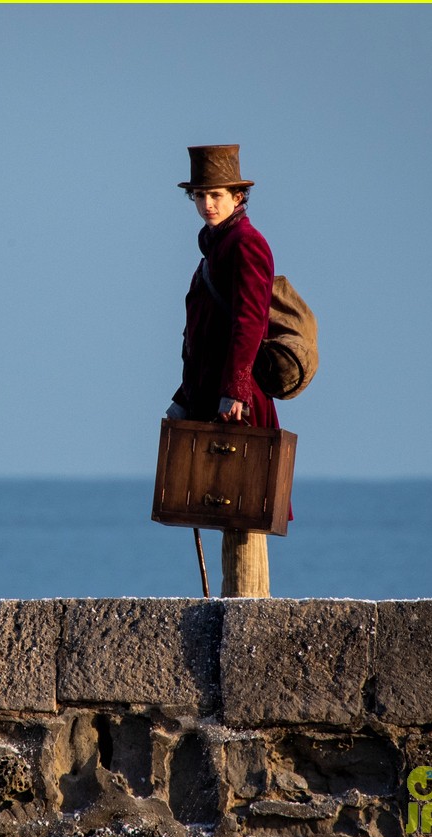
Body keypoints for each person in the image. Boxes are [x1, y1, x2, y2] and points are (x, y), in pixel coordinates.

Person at [165, 144, 278, 597]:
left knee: (244, 518)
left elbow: (251, 321)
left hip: (240, 402)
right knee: (227, 513)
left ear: (237, 197)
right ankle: (238, 616)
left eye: (215, 195)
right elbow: (203, 341)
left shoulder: (247, 244)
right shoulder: (214, 250)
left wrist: (235, 390)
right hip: (215, 399)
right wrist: (184, 399)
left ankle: (251, 632)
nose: (207, 204)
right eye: (199, 196)